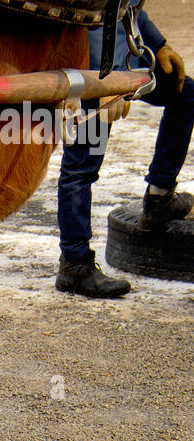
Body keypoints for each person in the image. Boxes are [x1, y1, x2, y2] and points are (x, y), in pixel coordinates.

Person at [56, 9, 194, 298]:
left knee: (186, 93)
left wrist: (159, 44)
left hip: (119, 62)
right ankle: (74, 263)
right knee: (81, 167)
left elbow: (127, 7)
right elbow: (90, 19)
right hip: (91, 69)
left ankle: (159, 197)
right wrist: (106, 82)